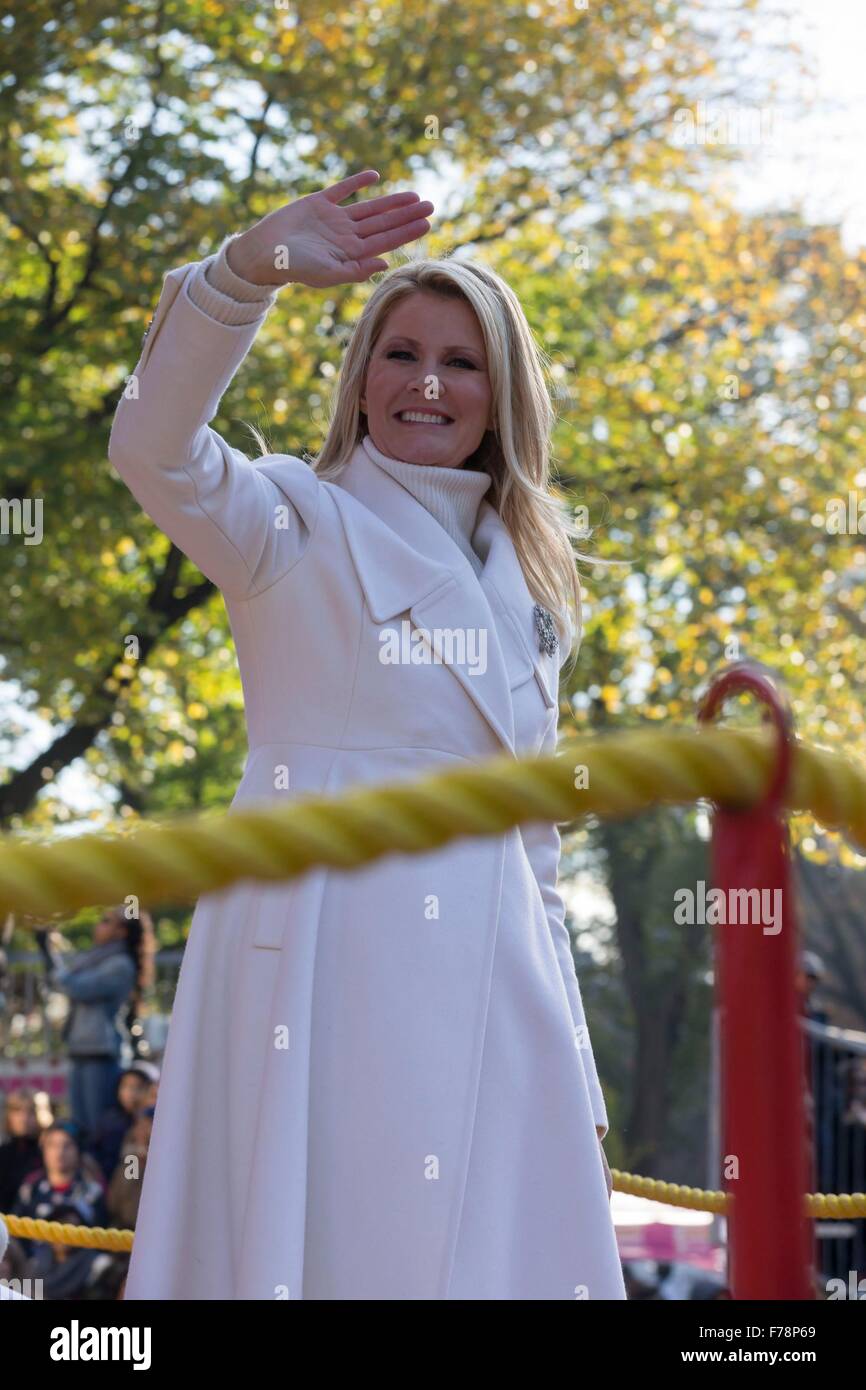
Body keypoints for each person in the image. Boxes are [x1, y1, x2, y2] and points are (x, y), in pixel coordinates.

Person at [109, 170, 625, 1300]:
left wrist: (577, 1082)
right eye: (399, 353)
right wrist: (247, 267)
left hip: (503, 999)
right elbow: (152, 446)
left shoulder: (537, 591)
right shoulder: (293, 519)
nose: (427, 383)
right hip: (321, 975)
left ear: (500, 392)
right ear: (358, 379)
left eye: (459, 359)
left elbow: (539, 860)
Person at [36, 908, 154, 1144]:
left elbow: (76, 987)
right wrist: (46, 946)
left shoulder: (120, 964)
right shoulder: (94, 959)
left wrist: (53, 954)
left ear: (121, 931)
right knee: (80, 1129)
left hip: (101, 1054)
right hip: (81, 1051)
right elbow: (64, 981)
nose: (97, 925)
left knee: (96, 1130)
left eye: (105, 921)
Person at [11, 1122, 108, 1257]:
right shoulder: (30, 1189)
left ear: (78, 1150)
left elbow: (102, 1240)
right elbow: (17, 1237)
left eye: (67, 1145)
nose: (59, 1152)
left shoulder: (92, 1190)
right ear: (43, 1149)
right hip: (37, 1269)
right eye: (52, 1145)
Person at [0, 1088, 43, 1215]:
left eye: (30, 1112)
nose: (24, 1118)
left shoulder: (46, 1152)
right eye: (17, 1111)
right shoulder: (3, 1153)